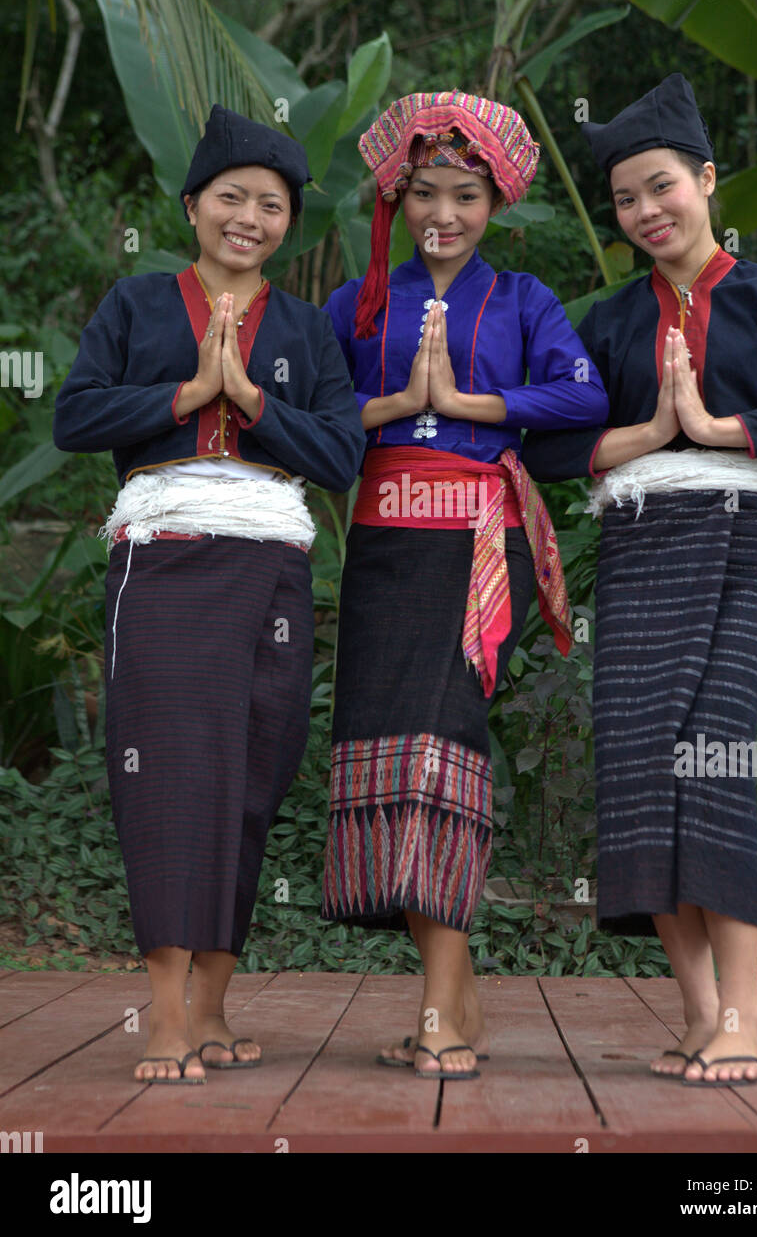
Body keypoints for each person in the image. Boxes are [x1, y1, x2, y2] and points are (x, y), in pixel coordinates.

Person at [522, 73, 757, 1086]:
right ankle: (698, 1011)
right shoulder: (612, 319)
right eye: (626, 199)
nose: (644, 213)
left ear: (707, 180)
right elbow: (542, 440)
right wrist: (646, 433)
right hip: (637, 555)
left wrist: (725, 430)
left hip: (741, 544)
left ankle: (747, 1015)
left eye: (660, 186)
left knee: (712, 756)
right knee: (636, 769)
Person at [53, 105, 366, 1084]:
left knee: (250, 781)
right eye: (230, 196)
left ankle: (215, 1003)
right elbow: (75, 415)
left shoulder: (308, 331)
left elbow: (343, 450)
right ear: (191, 206)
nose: (249, 217)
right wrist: (189, 397)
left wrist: (255, 402)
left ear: (287, 224)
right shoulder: (138, 307)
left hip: (272, 559)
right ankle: (162, 1014)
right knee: (172, 777)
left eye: (270, 204)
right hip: (168, 553)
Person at [321, 89, 609, 1079]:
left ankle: (441, 1007)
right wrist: (397, 402)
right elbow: (306, 411)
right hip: (380, 550)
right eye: (425, 193)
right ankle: (458, 982)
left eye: (466, 197)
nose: (443, 213)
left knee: (441, 750)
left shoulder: (524, 299)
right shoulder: (356, 304)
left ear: (496, 205)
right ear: (397, 198)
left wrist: (469, 403)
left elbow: (582, 392)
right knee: (384, 756)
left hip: (478, 551)